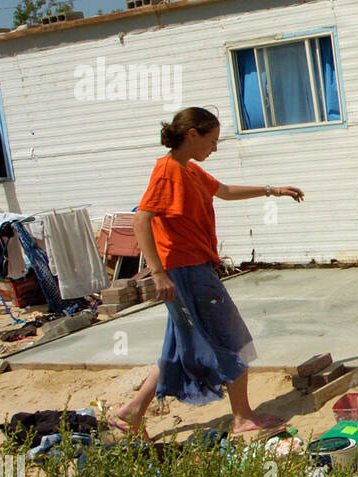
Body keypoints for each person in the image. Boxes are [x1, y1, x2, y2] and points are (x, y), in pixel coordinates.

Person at [108, 106, 304, 439]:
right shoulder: (167, 171)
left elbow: (225, 191)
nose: (214, 148)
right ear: (191, 135)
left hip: (192, 269)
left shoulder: (191, 172)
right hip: (184, 272)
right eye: (211, 140)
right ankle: (242, 417)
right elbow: (141, 219)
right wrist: (157, 274)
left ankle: (130, 413)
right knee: (233, 338)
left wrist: (273, 190)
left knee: (177, 348)